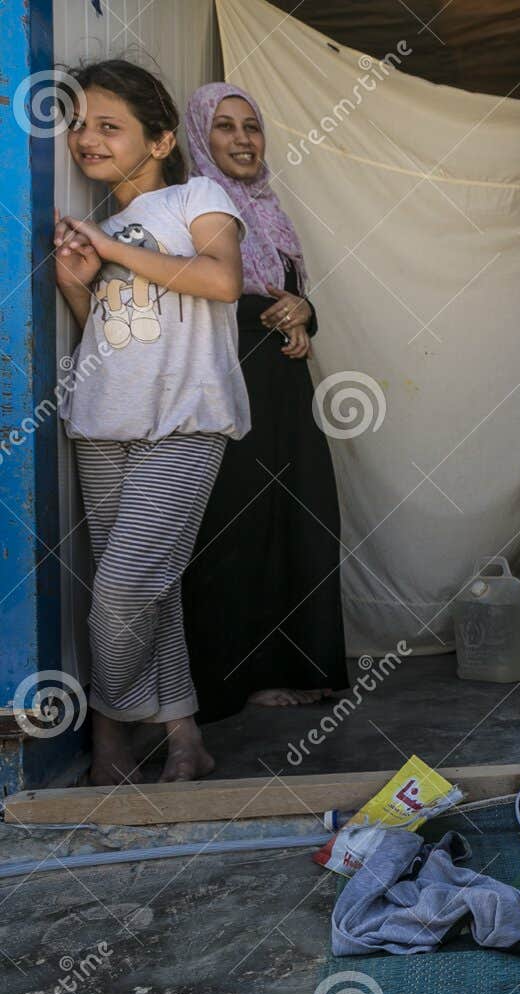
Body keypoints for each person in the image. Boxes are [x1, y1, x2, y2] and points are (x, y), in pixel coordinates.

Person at [53, 60, 248, 785]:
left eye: (110, 126)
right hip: (102, 420)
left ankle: (109, 726)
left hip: (185, 420)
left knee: (123, 594)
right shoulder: (104, 228)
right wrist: (79, 286)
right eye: (78, 125)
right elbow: (106, 333)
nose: (87, 139)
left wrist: (106, 252)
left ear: (162, 139)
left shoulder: (197, 196)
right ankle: (181, 738)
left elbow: (222, 279)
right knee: (147, 591)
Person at [179, 82, 350, 722]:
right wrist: (271, 316)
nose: (243, 139)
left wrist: (305, 312)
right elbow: (198, 298)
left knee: (300, 515)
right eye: (225, 126)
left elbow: (294, 299)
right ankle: (236, 680)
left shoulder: (268, 210)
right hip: (225, 381)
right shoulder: (189, 209)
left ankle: (296, 665)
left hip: (283, 387)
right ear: (201, 135)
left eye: (251, 126)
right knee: (235, 527)